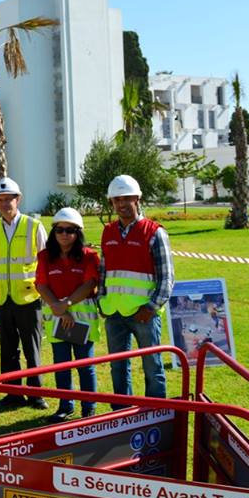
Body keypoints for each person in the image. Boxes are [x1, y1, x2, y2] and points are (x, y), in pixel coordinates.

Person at [99, 175, 174, 409]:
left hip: (144, 315)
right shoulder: (108, 232)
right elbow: (104, 270)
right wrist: (102, 299)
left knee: (152, 365)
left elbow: (167, 278)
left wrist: (150, 308)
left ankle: (156, 412)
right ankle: (121, 412)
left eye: (126, 199)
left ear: (137, 199)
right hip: (114, 313)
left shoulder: (154, 232)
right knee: (118, 366)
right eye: (116, 200)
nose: (121, 204)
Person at [0, 177, 49, 410]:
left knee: (32, 348)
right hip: (3, 298)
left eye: (8, 199)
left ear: (18, 199)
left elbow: (45, 261)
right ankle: (12, 393)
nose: (3, 204)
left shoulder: (33, 226)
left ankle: (36, 394)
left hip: (28, 297)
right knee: (7, 349)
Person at [35, 207, 101, 423]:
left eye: (70, 230)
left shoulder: (89, 256)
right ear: (54, 232)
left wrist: (66, 304)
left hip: (82, 320)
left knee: (85, 365)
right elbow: (41, 284)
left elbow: (90, 284)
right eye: (60, 230)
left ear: (78, 232)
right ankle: (66, 406)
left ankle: (88, 407)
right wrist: (57, 306)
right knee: (61, 365)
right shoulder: (45, 257)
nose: (64, 234)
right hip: (57, 321)